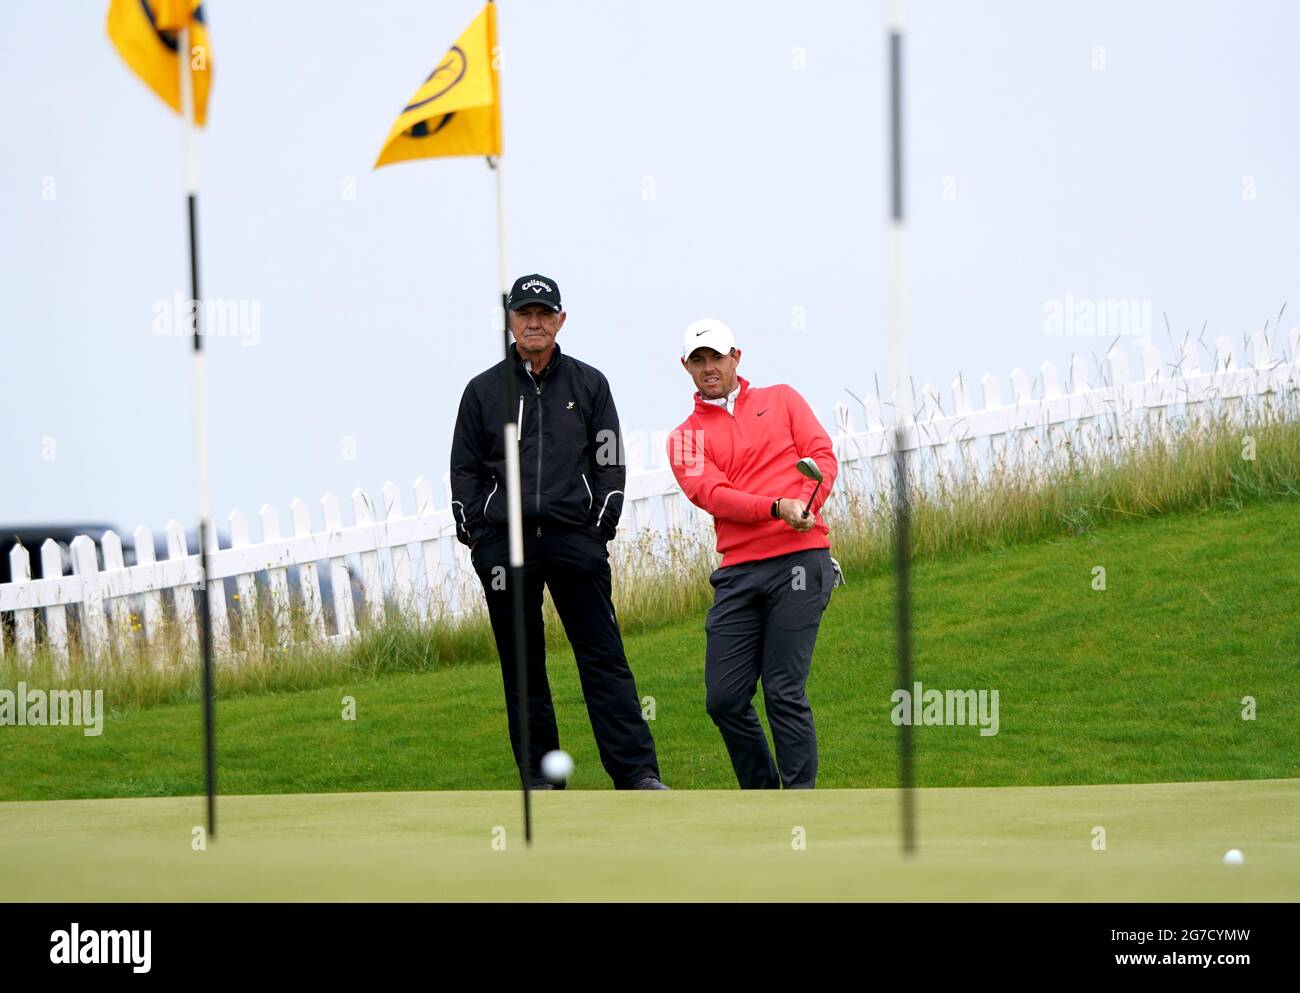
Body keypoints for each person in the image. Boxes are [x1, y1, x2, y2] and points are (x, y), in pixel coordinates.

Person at [450, 274, 667, 790]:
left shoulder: (590, 384)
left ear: (561, 321)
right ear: (510, 321)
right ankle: (541, 776)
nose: (534, 322)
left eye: (544, 314)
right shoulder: (483, 391)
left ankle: (635, 772)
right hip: (507, 545)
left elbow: (609, 459)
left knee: (604, 658)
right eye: (524, 313)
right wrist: (479, 539)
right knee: (522, 666)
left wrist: (600, 528)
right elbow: (464, 470)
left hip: (576, 538)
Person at [666, 318, 839, 789]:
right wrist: (774, 507)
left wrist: (806, 503)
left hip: (801, 561)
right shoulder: (683, 438)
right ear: (685, 367)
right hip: (739, 572)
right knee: (723, 699)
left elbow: (821, 455)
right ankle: (763, 795)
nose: (708, 368)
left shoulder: (781, 398)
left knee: (784, 690)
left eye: (716, 357)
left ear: (736, 357)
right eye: (698, 360)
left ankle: (798, 802)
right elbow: (713, 495)